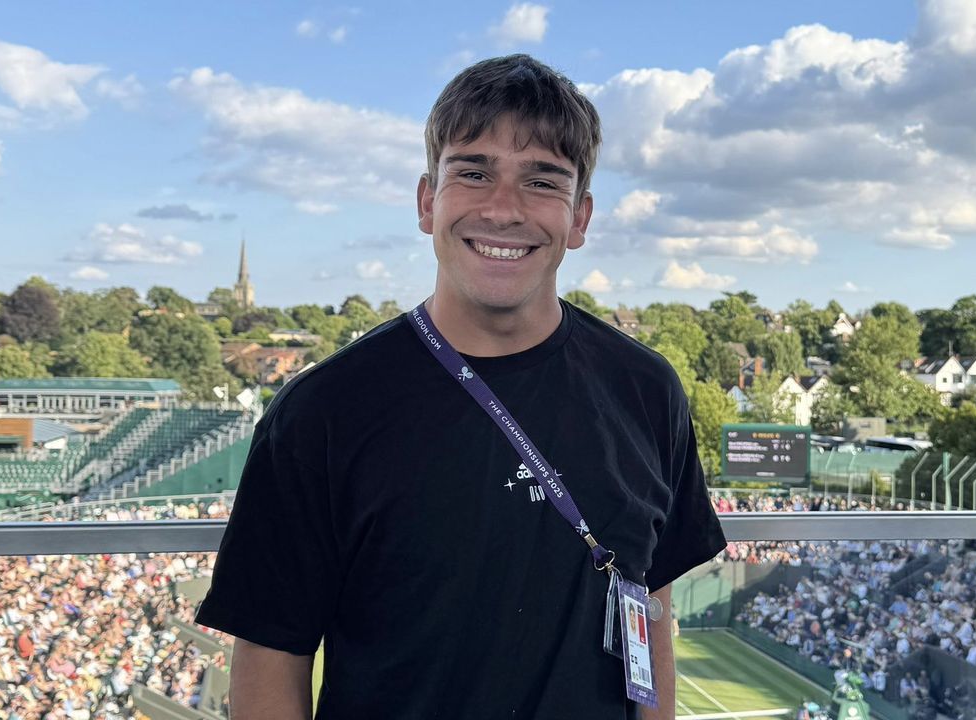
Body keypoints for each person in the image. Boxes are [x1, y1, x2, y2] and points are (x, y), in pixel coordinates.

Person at [194, 54, 726, 719]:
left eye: (542, 181)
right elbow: (271, 654)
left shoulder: (647, 390)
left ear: (580, 218)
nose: (503, 209)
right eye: (474, 172)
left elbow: (649, 602)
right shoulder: (322, 411)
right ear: (427, 201)